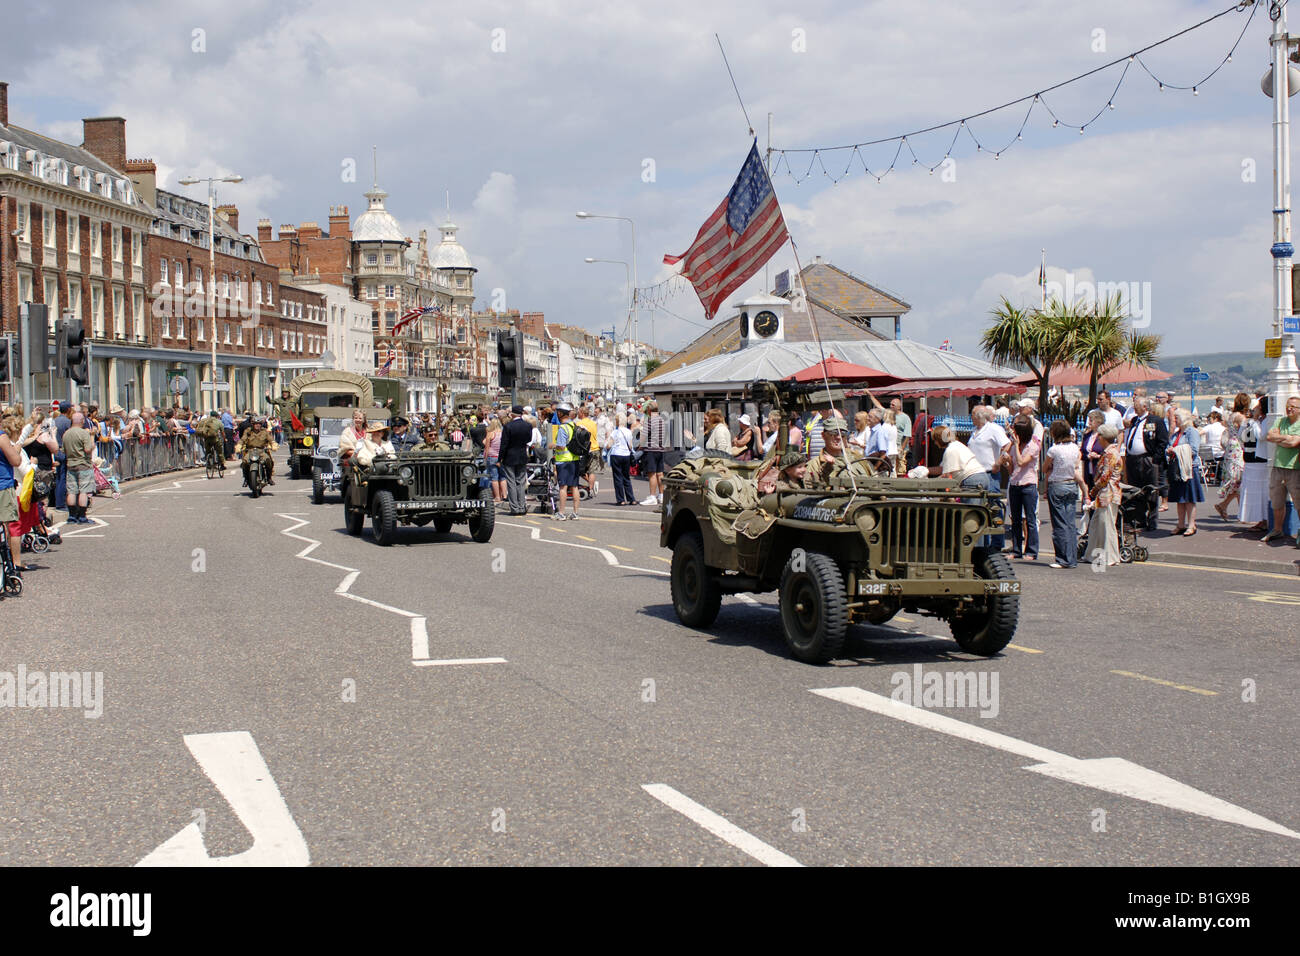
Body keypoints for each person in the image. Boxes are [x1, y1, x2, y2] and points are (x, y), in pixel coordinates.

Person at [1045, 419, 1088, 569]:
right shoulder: (1075, 447)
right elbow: (1076, 464)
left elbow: (1045, 468)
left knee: (1059, 524)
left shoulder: (1054, 450)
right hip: (1071, 485)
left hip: (1057, 485)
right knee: (1070, 523)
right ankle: (1072, 558)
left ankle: (1063, 558)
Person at [966, 406, 1010, 551]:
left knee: (993, 506)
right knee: (980, 508)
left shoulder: (993, 429)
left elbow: (1007, 444)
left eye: (972, 414)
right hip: (976, 474)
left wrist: (998, 462)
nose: (970, 417)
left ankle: (997, 543)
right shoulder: (975, 431)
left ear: (978, 416)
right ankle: (983, 542)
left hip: (989, 473)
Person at [1122, 396, 1167, 530]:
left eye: (1137, 405)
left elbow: (1163, 441)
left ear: (1145, 407)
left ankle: (1152, 521)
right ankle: (1138, 519)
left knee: (1151, 489)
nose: (1134, 407)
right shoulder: (1135, 420)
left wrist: (1155, 460)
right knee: (1135, 490)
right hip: (1133, 459)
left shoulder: (1155, 421)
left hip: (1148, 459)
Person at [1002, 416, 1041, 560]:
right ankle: (1016, 549)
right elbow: (1012, 469)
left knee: (1030, 519)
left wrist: (1017, 447)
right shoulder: (1014, 446)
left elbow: (1021, 461)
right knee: (1015, 519)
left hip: (1028, 484)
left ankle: (1031, 550)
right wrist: (1007, 462)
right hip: (1015, 484)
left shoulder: (1033, 446)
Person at [1263, 393, 1300, 544]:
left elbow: (1294, 444)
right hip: (1278, 467)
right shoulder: (1280, 420)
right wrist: (1287, 438)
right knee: (1276, 501)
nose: (1289, 409)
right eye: (1287, 407)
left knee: (1298, 502)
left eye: (1292, 407)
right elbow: (1270, 436)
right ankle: (1277, 529)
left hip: (1295, 468)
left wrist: (1281, 439)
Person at [1087, 424, 1124, 567]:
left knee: (1107, 525)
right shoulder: (1111, 452)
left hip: (1108, 493)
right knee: (1097, 524)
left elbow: (1105, 477)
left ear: (1103, 437)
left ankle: (1111, 557)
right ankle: (1093, 554)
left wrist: (1094, 489)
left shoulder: (1110, 454)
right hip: (1107, 493)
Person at [1166, 407, 1204, 536]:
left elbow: (1193, 450)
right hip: (1177, 468)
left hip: (1189, 468)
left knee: (1189, 498)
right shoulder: (1177, 434)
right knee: (1179, 498)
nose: (1174, 420)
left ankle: (1191, 524)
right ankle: (1180, 524)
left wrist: (1175, 450)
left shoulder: (1191, 432)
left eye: (1176, 418)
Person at [805, 418, 866, 486]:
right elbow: (811, 491)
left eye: (843, 434)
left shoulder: (857, 458)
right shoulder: (814, 465)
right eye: (834, 433)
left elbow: (874, 479)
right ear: (823, 436)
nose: (839, 437)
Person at [61, 411, 96, 525]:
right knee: (83, 491)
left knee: (71, 490)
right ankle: (82, 516)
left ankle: (71, 516)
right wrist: (92, 438)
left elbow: (63, 451)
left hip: (71, 464)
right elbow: (87, 449)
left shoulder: (66, 434)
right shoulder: (83, 433)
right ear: (82, 421)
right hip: (84, 465)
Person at [498, 406, 532, 516]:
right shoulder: (528, 425)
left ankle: (514, 507)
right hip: (522, 455)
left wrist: (500, 459)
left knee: (511, 482)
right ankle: (522, 506)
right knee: (521, 482)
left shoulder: (508, 426)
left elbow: (504, 444)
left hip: (509, 456)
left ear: (512, 414)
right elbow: (529, 439)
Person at [552, 403, 582, 520]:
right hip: (574, 460)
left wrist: (552, 445)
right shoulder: (573, 425)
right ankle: (575, 513)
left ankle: (561, 512)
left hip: (564, 461)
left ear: (560, 413)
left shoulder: (562, 428)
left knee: (563, 487)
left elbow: (561, 446)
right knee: (574, 487)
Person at [1215, 411, 1247, 521]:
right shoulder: (1240, 424)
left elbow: (1223, 443)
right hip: (1237, 455)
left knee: (1237, 483)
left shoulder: (1230, 429)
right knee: (1238, 482)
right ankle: (1230, 508)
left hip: (1231, 454)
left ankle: (1230, 508)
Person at [640, 402, 667, 507]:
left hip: (651, 449)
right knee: (660, 473)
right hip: (660, 449)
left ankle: (652, 496)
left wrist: (640, 445)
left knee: (652, 474)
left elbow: (644, 437)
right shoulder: (662, 421)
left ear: (650, 410)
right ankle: (661, 495)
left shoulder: (649, 421)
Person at [607, 413, 637, 505]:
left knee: (618, 478)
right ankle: (631, 498)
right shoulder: (628, 431)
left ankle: (621, 500)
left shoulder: (615, 432)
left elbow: (609, 445)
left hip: (616, 454)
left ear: (617, 421)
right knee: (626, 477)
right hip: (626, 455)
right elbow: (631, 445)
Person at [238, 418, 275, 486]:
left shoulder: (264, 431)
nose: (257, 425)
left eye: (259, 424)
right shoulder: (248, 431)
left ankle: (269, 478)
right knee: (244, 462)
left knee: (268, 461)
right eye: (255, 424)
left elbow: (270, 439)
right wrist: (239, 445)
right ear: (253, 425)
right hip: (250, 451)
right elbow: (243, 439)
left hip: (261, 451)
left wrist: (273, 443)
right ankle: (246, 478)